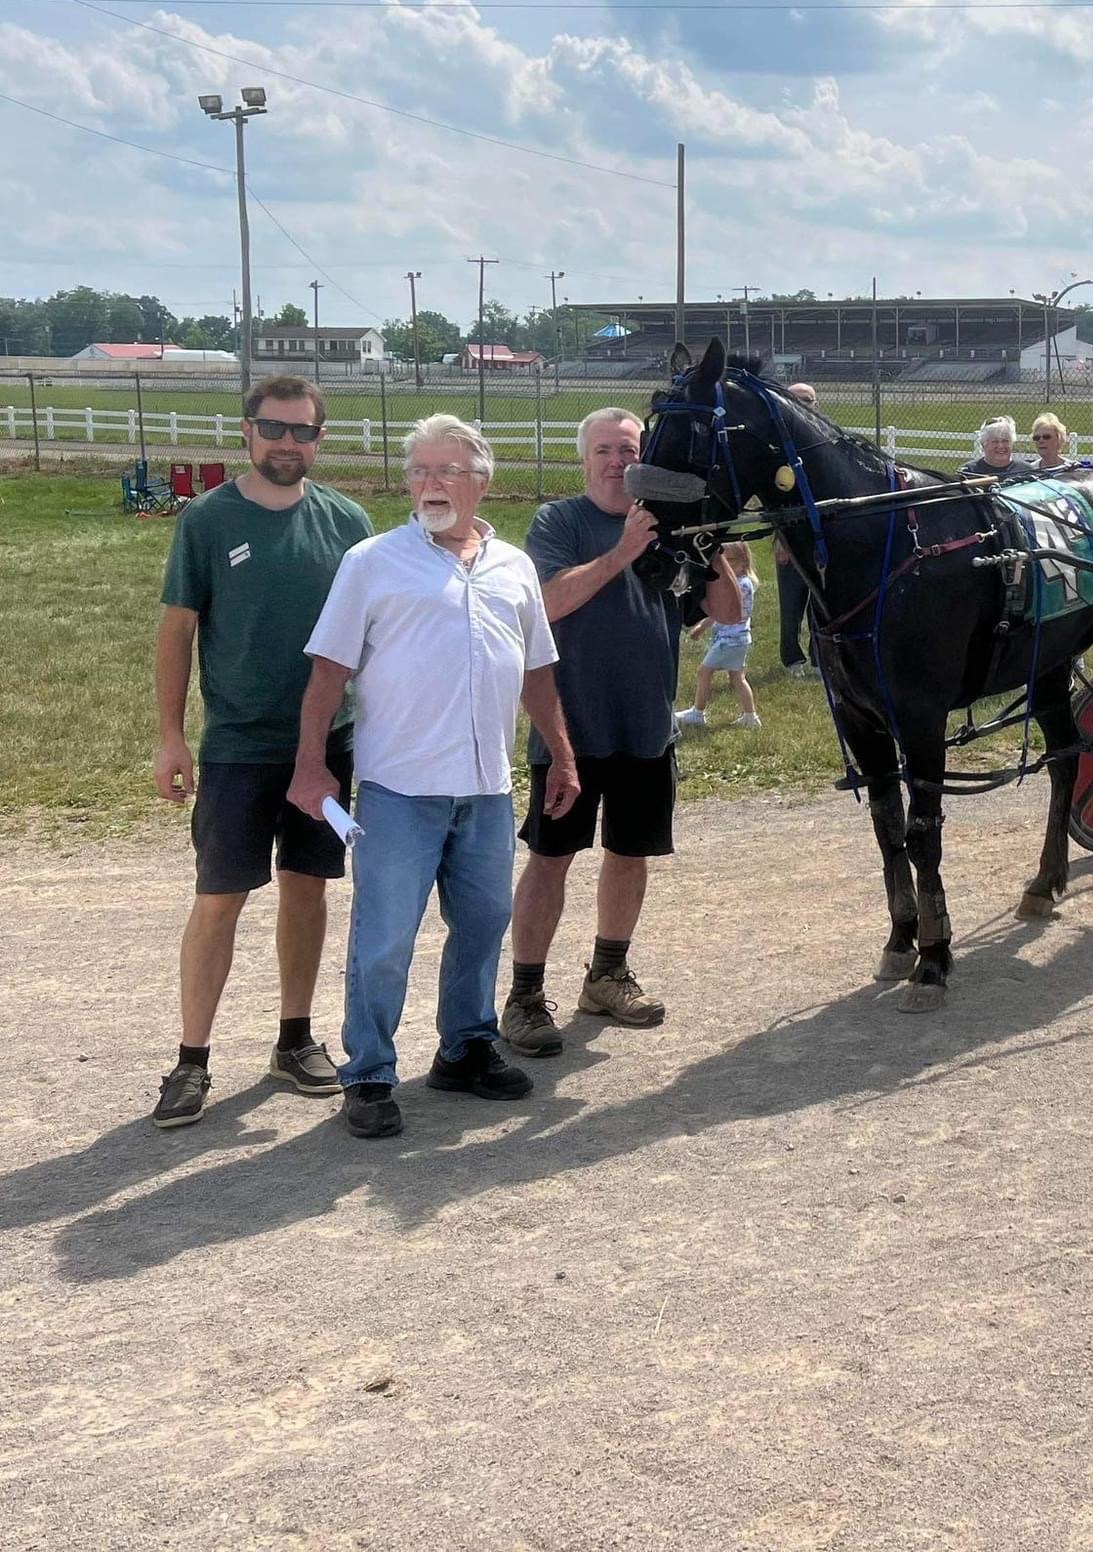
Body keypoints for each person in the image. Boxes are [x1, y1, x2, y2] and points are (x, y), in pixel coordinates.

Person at [289, 413, 579, 1140]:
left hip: (485, 787)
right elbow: (329, 670)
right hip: (397, 790)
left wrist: (562, 752)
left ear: (482, 481)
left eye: (447, 471)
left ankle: (466, 1047)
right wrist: (311, 763)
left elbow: (537, 671)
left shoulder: (514, 567)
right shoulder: (373, 561)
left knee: (483, 924)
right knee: (385, 938)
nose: (430, 484)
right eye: (419, 471)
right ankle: (370, 1074)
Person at [148, 376, 373, 1129]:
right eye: (274, 429)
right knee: (219, 901)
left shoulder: (348, 523)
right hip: (240, 747)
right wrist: (172, 737)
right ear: (246, 431)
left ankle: (295, 1038)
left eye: (303, 432)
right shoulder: (208, 521)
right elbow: (177, 630)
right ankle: (191, 1059)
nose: (288, 443)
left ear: (320, 439)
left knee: (307, 888)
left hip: (328, 747)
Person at [501, 408, 741, 1058]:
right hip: (570, 732)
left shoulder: (666, 531)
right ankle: (524, 997)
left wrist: (707, 541)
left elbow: (726, 612)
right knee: (551, 858)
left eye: (627, 451)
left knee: (630, 852)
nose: (615, 461)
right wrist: (621, 553)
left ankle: (607, 973)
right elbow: (548, 602)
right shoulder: (560, 521)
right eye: (604, 450)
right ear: (585, 459)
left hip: (645, 727)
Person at [677, 544, 760, 730]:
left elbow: (721, 612)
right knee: (738, 677)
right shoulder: (742, 582)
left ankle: (697, 713)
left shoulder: (740, 585)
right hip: (738, 639)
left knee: (704, 672)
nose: (726, 567)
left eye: (730, 561)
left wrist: (700, 628)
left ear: (743, 562)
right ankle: (750, 716)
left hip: (730, 640)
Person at [774, 382, 818, 676]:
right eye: (797, 399)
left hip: (823, 536)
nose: (804, 403)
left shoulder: (821, 438)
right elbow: (775, 497)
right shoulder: (778, 445)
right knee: (791, 602)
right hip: (791, 533)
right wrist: (781, 539)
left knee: (822, 602)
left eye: (809, 400)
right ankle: (792, 658)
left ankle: (818, 658)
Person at [959, 416, 1032, 482]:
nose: (1001, 446)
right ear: (984, 445)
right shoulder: (969, 471)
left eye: (1005, 441)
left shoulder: (1026, 470)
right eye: (995, 441)